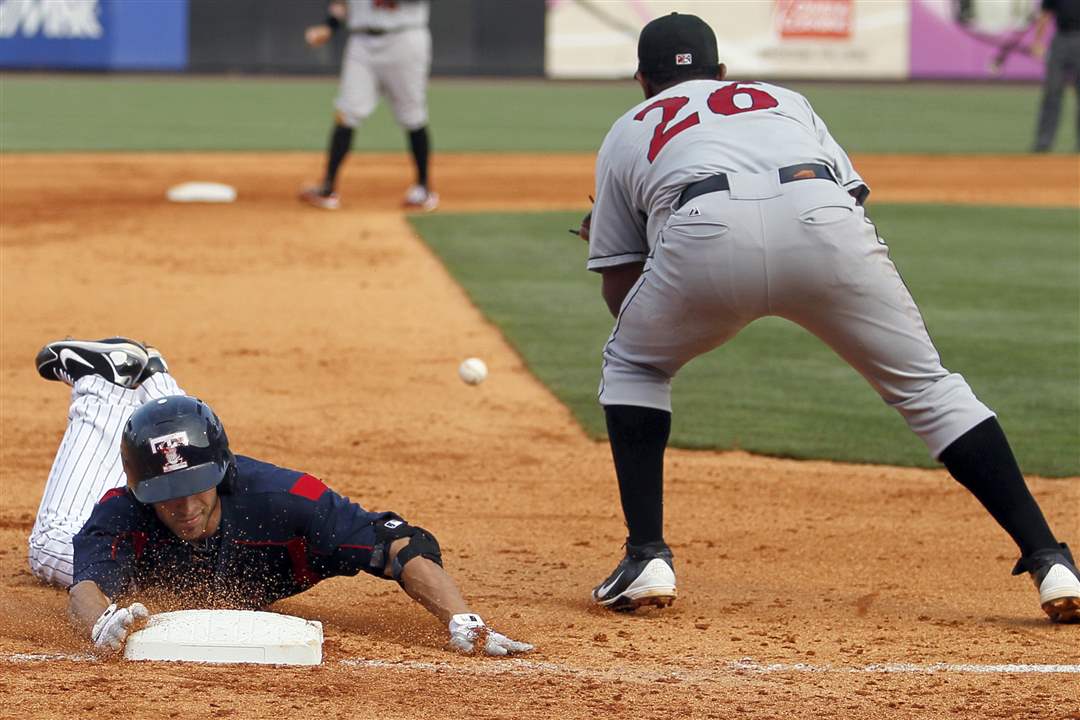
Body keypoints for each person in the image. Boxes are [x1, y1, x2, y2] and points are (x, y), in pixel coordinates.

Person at [580, 13, 1080, 623]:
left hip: (701, 229)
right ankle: (1050, 559)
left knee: (634, 363)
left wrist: (666, 266)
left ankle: (647, 555)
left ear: (641, 80)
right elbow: (849, 200)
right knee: (928, 387)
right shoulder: (785, 100)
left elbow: (618, 290)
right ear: (723, 72)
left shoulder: (629, 127)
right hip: (824, 219)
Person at [30, 337, 532, 655]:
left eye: (193, 489)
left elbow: (398, 544)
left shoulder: (287, 501)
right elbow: (85, 591)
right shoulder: (120, 510)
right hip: (129, 546)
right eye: (165, 495)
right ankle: (103, 386)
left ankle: (134, 380)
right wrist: (101, 626)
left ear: (222, 471)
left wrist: (462, 617)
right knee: (50, 546)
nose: (183, 507)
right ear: (141, 491)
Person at [299, 0, 438, 211]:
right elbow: (343, 3)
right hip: (361, 42)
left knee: (412, 114)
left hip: (404, 38)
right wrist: (329, 25)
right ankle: (328, 188)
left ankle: (423, 188)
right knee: (346, 111)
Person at [1031, 0, 1080, 152]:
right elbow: (1045, 14)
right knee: (1052, 91)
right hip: (1061, 38)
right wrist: (1037, 41)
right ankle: (1043, 142)